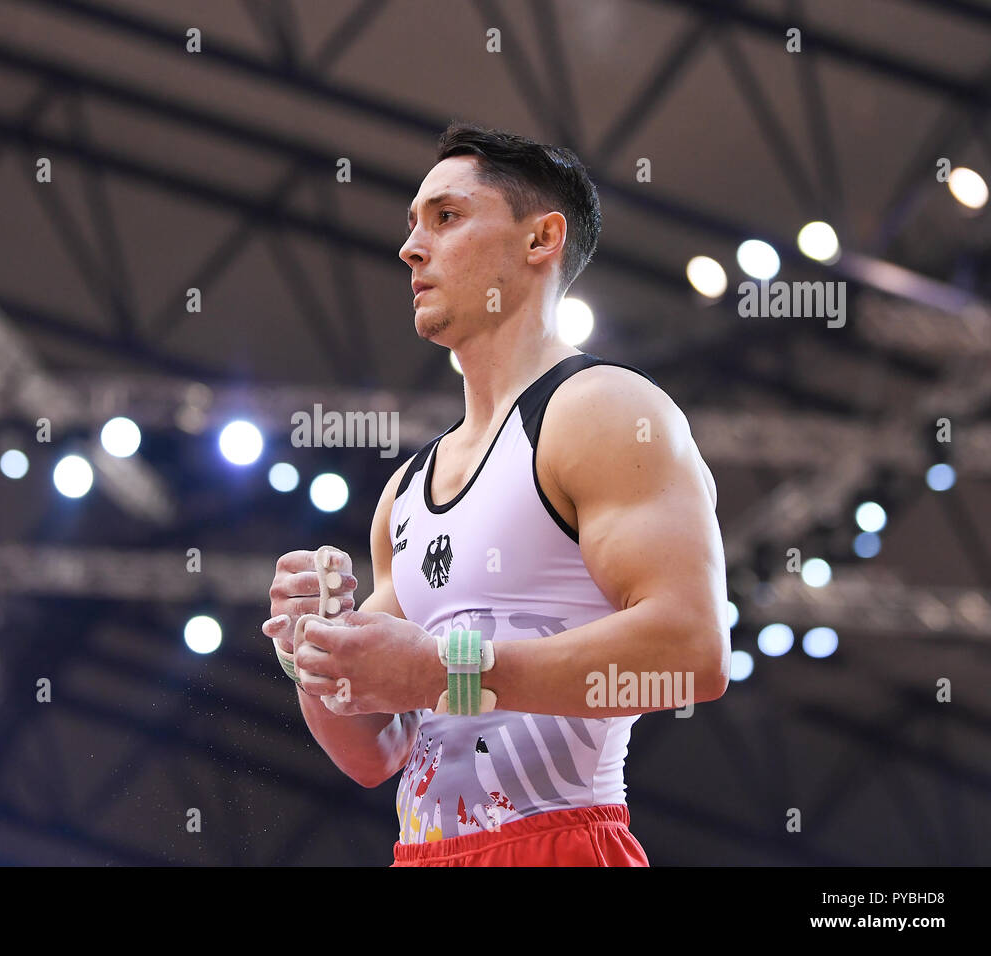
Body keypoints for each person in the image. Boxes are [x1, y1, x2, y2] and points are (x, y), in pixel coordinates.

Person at [264, 123, 729, 866]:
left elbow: (693, 654)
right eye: (412, 226)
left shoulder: (605, 410)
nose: (411, 249)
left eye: (445, 218)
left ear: (541, 239)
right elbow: (373, 751)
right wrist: (312, 654)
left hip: (558, 841)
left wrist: (442, 671)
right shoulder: (405, 493)